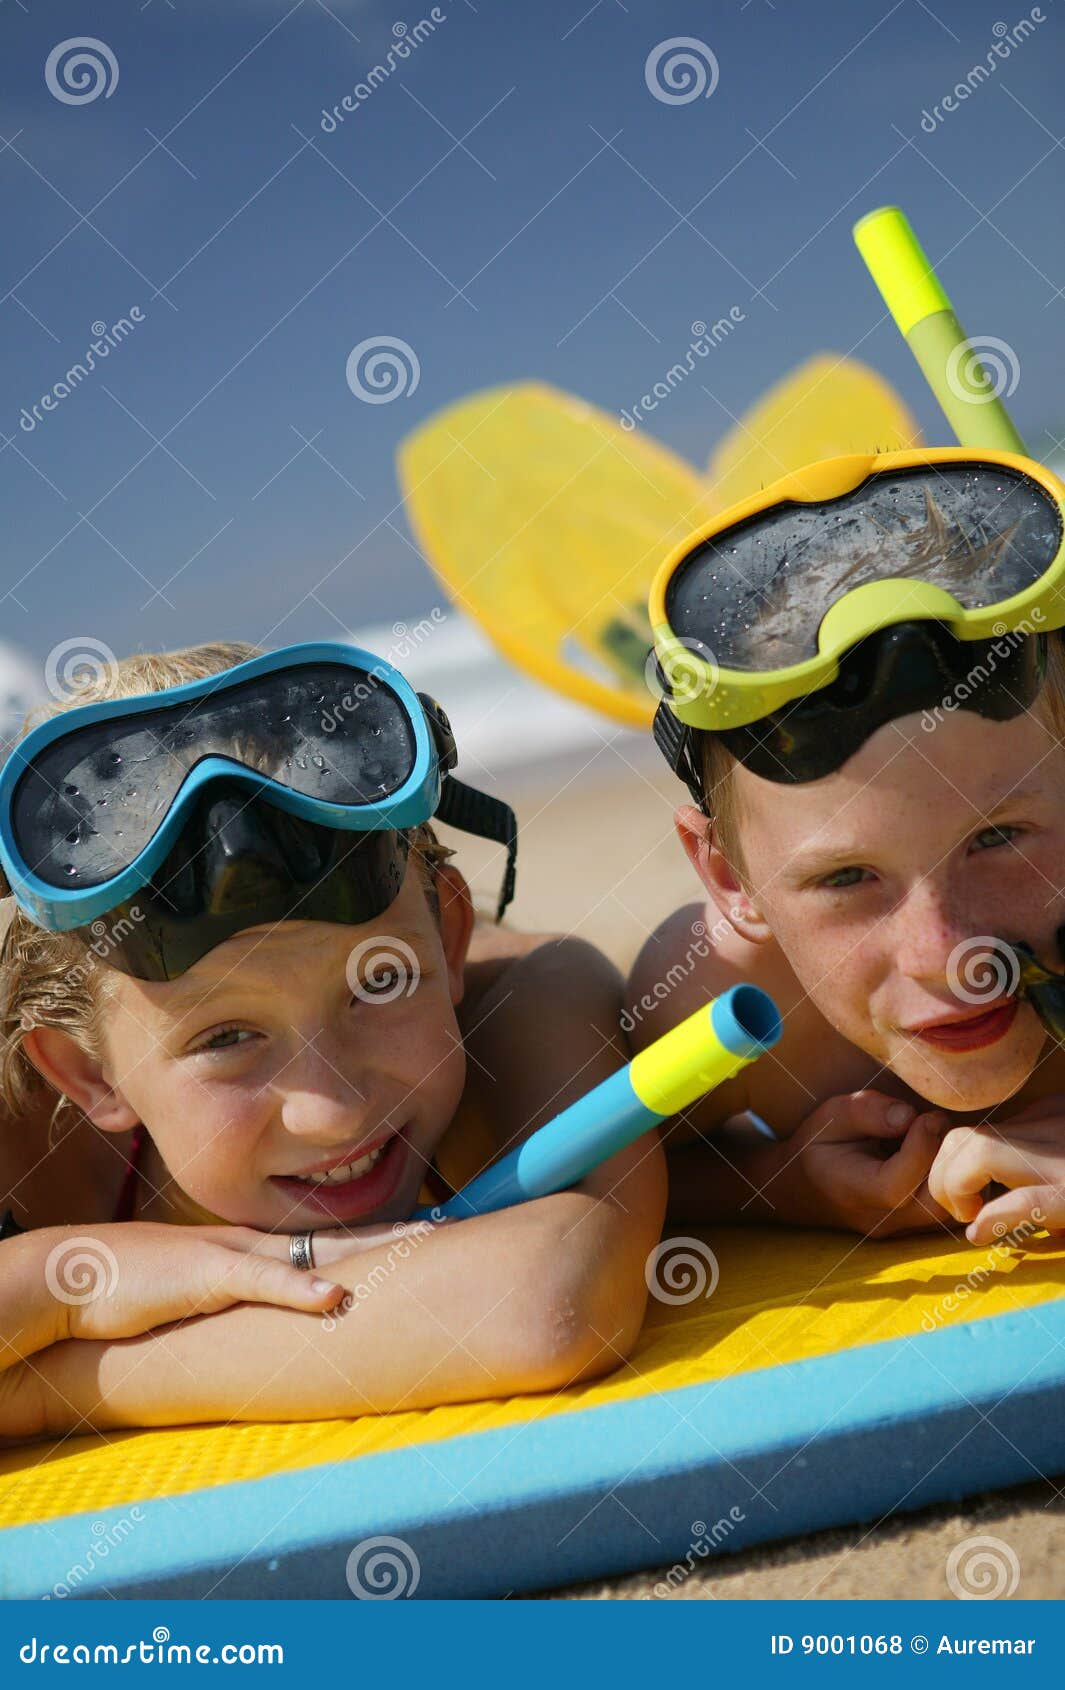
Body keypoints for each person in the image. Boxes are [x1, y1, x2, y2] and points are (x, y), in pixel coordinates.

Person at [0, 639, 665, 1447]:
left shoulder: (529, 994)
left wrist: (57, 1377)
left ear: (449, 937)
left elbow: (547, 1301)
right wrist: (62, 1282)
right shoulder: (24, 1167)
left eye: (378, 985)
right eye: (227, 1037)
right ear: (88, 1074)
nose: (334, 1111)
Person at [627, 446, 1065, 1244]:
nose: (946, 956)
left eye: (996, 837)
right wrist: (774, 1185)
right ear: (730, 881)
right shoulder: (723, 1004)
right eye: (846, 877)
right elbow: (597, 1181)